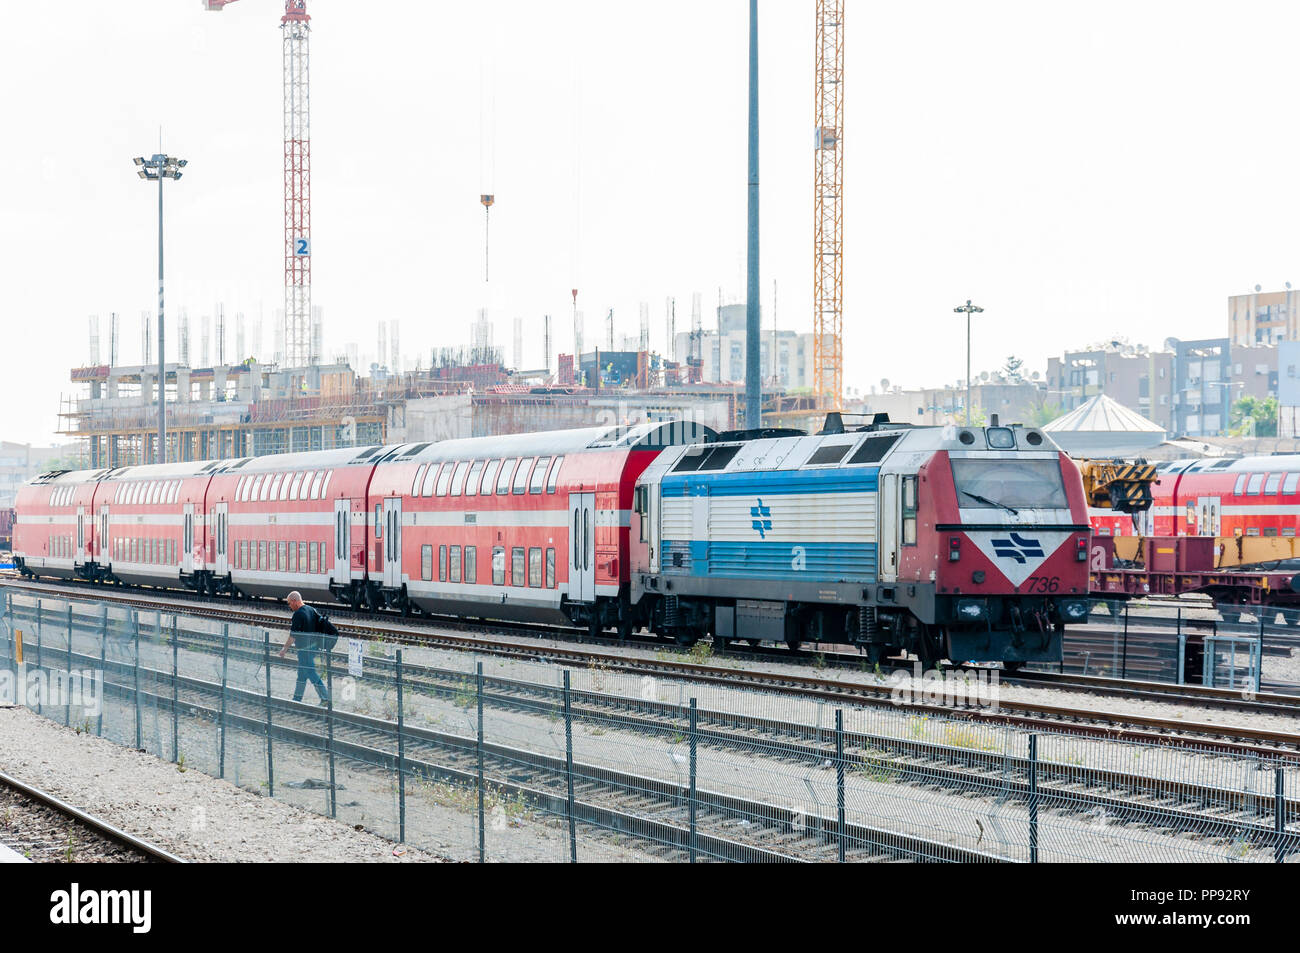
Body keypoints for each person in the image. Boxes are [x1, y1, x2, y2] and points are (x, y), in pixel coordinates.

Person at [278, 591, 330, 704]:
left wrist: (284, 649)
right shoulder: (311, 610)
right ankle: (297, 699)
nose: (289, 606)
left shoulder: (298, 614)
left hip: (304, 650)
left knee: (311, 673)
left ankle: (326, 698)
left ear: (294, 601)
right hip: (314, 648)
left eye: (289, 603)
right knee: (301, 675)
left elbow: (293, 635)